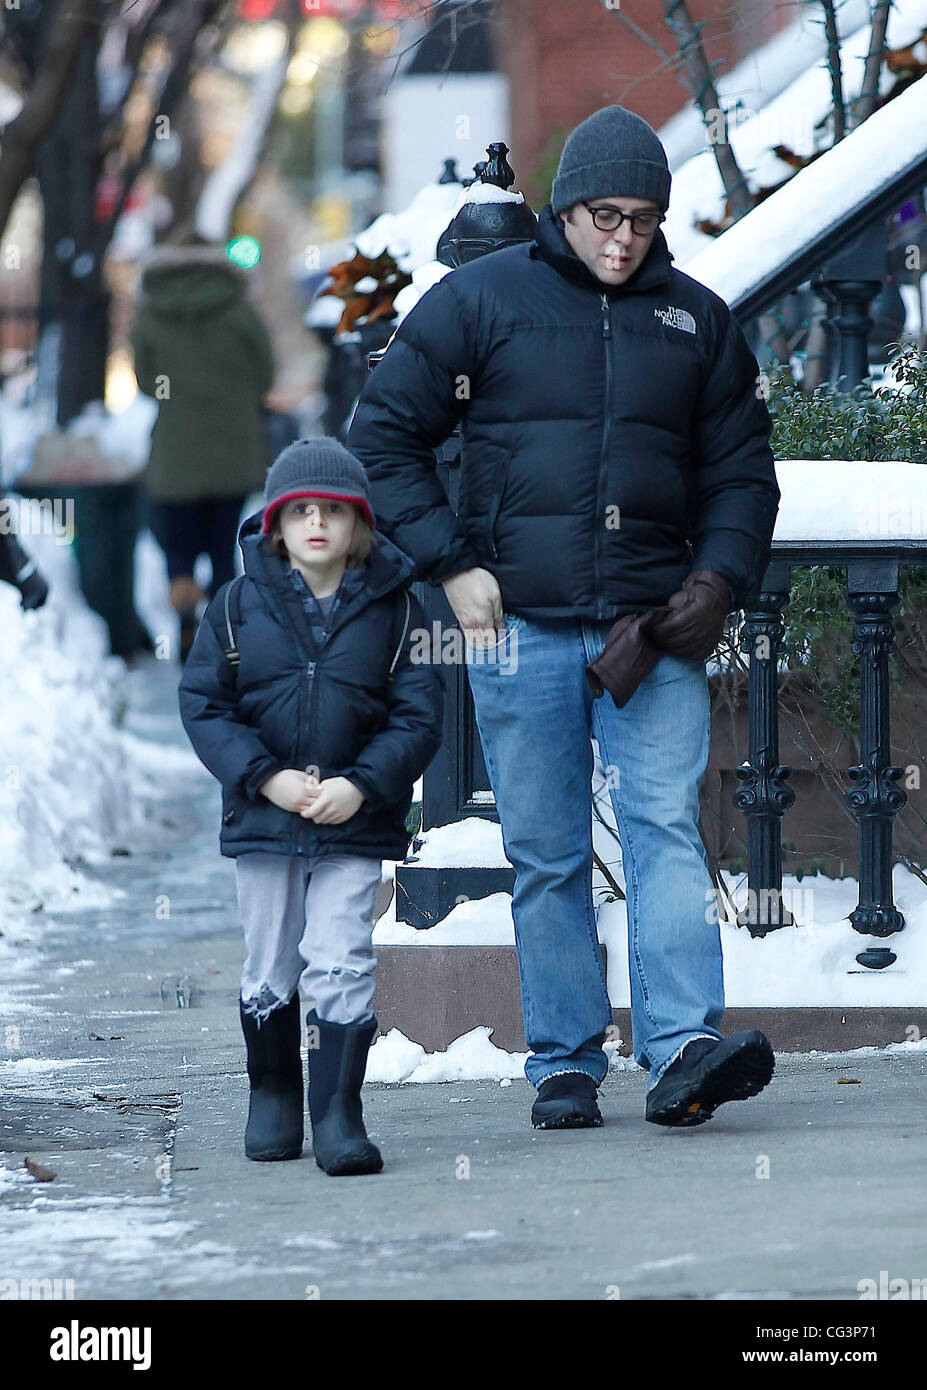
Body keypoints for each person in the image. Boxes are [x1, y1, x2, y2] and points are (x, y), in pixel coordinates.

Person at [347, 104, 782, 1131]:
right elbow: (382, 438)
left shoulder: (696, 320)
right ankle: (565, 1062)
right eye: (601, 215)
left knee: (666, 830)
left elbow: (741, 475)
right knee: (545, 850)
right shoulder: (482, 301)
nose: (622, 237)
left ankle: (682, 1052)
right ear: (563, 208)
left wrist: (717, 582)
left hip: (653, 631)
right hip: (521, 630)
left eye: (640, 218)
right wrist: (450, 564)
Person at [178, 438, 444, 1174]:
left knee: (341, 955)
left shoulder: (398, 612)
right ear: (277, 524)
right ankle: (271, 1093)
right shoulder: (235, 607)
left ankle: (336, 1111)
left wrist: (361, 783)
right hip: (266, 821)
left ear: (358, 522)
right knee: (269, 958)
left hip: (352, 821)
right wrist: (264, 777)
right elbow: (203, 703)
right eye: (300, 511)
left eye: (333, 511)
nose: (316, 523)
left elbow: (419, 716)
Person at [131, 238, 275, 662]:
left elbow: (144, 383)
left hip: (176, 451)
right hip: (233, 447)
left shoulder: (150, 316)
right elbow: (264, 375)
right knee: (221, 544)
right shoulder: (240, 312)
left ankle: (185, 622)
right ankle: (224, 631)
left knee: (179, 544)